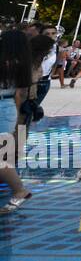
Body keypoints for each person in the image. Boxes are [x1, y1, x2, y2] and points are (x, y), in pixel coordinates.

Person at [0, 30, 33, 214]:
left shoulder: (8, 63)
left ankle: (20, 190)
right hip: (7, 107)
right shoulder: (21, 63)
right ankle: (19, 190)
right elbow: (19, 95)